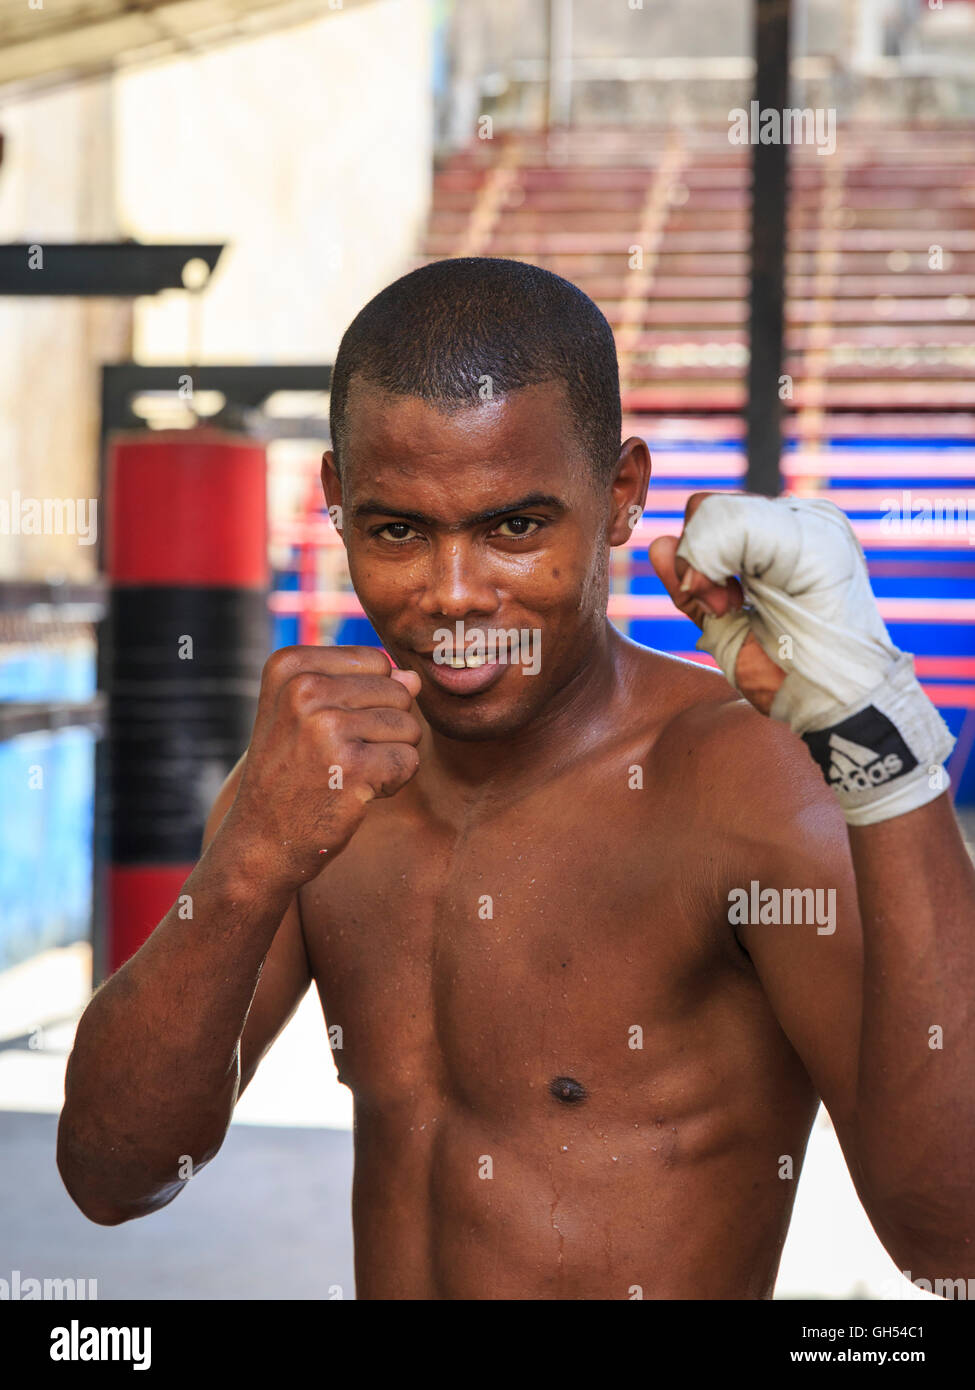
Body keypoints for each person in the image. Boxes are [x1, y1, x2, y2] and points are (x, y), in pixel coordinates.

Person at [58, 258, 974, 1299]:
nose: (453, 595)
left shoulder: (744, 782)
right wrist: (245, 864)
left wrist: (889, 762)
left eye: (514, 527)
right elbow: (110, 1173)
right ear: (336, 503)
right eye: (398, 529)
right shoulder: (320, 789)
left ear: (622, 494)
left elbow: (953, 1242)